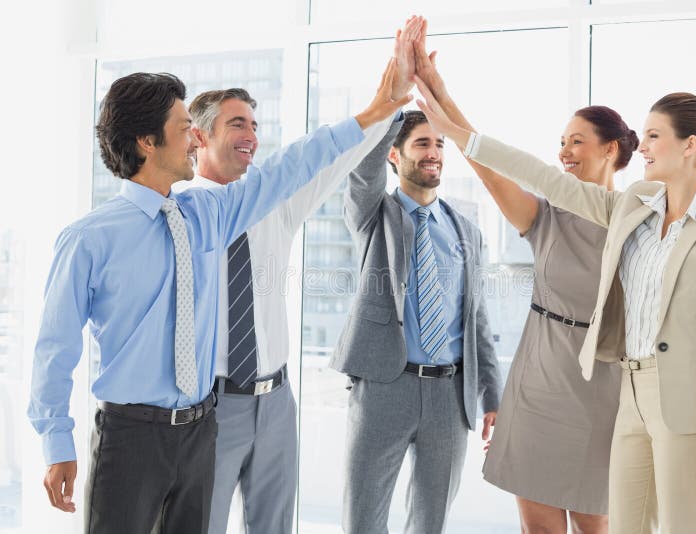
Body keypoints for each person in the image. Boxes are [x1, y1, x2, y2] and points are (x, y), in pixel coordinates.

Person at [27, 62, 409, 534]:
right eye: (184, 128)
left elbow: (295, 166)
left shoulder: (205, 214)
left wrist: (377, 111)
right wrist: (56, 443)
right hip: (131, 438)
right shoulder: (89, 238)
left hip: (200, 430)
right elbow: (54, 350)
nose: (193, 139)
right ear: (148, 141)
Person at [416, 77, 696, 534]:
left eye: (654, 136)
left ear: (689, 145)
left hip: (643, 396)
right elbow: (534, 174)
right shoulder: (634, 207)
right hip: (588, 389)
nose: (645, 147)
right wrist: (456, 128)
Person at [172, 19, 420, 534]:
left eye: (256, 127)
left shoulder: (272, 205)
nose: (251, 137)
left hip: (276, 404)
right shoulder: (178, 213)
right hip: (210, 409)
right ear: (200, 136)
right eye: (238, 124)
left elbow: (333, 161)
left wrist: (391, 104)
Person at [411, 30, 636, 533]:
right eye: (561, 143)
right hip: (539, 381)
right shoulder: (547, 217)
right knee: (539, 526)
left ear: (612, 149)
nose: (564, 153)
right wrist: (438, 89)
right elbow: (487, 166)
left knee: (594, 523)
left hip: (604, 388)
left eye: (577, 141)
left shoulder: (636, 219)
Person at [330, 102, 503, 532]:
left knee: (431, 522)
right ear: (395, 152)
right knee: (363, 519)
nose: (434, 152)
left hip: (449, 395)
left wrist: (492, 395)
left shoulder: (466, 229)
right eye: (422, 142)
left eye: (440, 144)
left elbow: (477, 319)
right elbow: (362, 172)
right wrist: (392, 110)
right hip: (385, 386)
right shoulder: (374, 214)